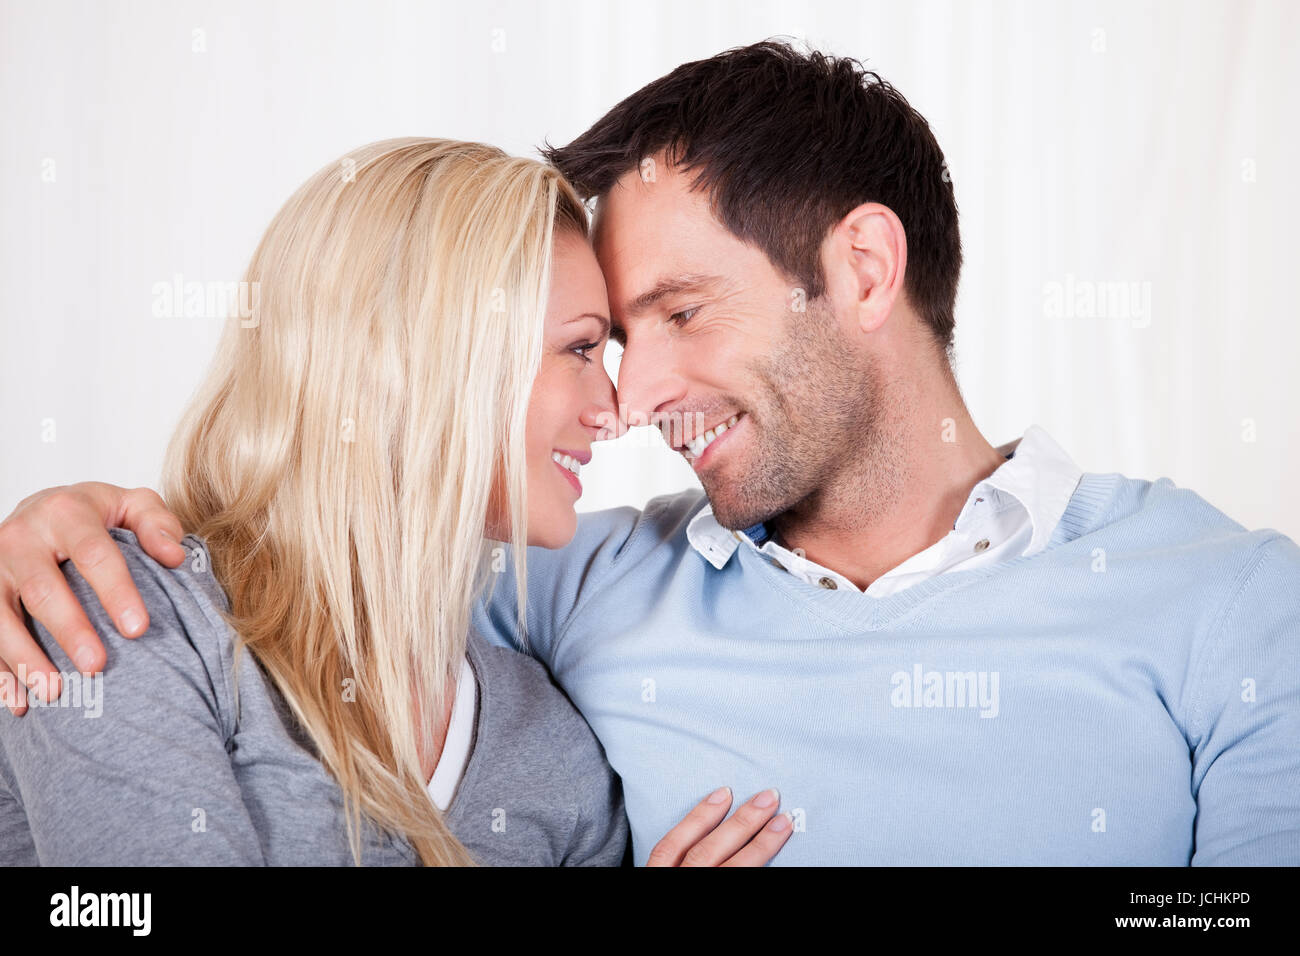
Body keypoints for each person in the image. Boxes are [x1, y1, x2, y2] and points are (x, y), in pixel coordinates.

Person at [5, 41, 1300, 866]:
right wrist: (55, 534)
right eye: (608, 340)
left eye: (680, 315)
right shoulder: (570, 589)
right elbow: (336, 540)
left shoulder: (1228, 599)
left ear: (861, 269)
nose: (636, 400)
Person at [0, 137, 792, 866]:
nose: (618, 408)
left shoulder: (552, 749)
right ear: (417, 358)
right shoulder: (122, 614)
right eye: (581, 348)